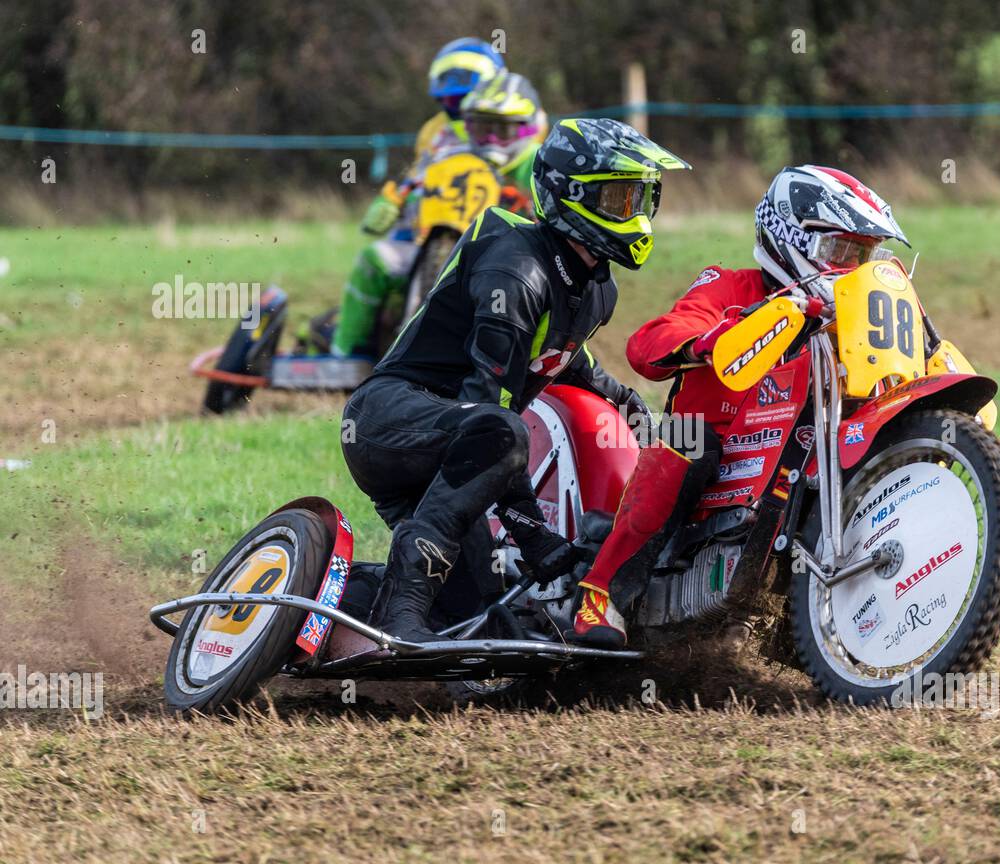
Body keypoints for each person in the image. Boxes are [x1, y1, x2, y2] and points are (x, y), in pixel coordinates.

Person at [340, 118, 691, 643]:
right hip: (387, 420)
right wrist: (532, 535)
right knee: (503, 432)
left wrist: (628, 405)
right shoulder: (516, 271)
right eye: (621, 199)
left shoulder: (596, 289)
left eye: (642, 200)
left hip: (453, 456)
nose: (635, 215)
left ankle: (322, 607)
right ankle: (401, 622)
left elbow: (564, 361)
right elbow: (490, 418)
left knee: (470, 613)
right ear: (573, 197)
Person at [571, 165, 910, 648]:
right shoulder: (730, 286)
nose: (852, 268)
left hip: (796, 449)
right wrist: (705, 341)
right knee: (689, 443)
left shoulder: (852, 324)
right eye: (841, 252)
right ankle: (600, 592)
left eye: (864, 257)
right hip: (720, 450)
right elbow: (648, 344)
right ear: (792, 238)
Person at [330, 37, 505, 358]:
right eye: (450, 102)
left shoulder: (516, 122)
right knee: (373, 260)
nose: (459, 110)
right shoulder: (433, 132)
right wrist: (393, 200)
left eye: (465, 100)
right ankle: (343, 353)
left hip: (494, 242)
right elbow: (418, 175)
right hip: (425, 234)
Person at [460, 71, 548, 216]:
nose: (491, 139)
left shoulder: (546, 166)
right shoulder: (457, 160)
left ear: (528, 129)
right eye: (481, 129)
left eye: (503, 130)